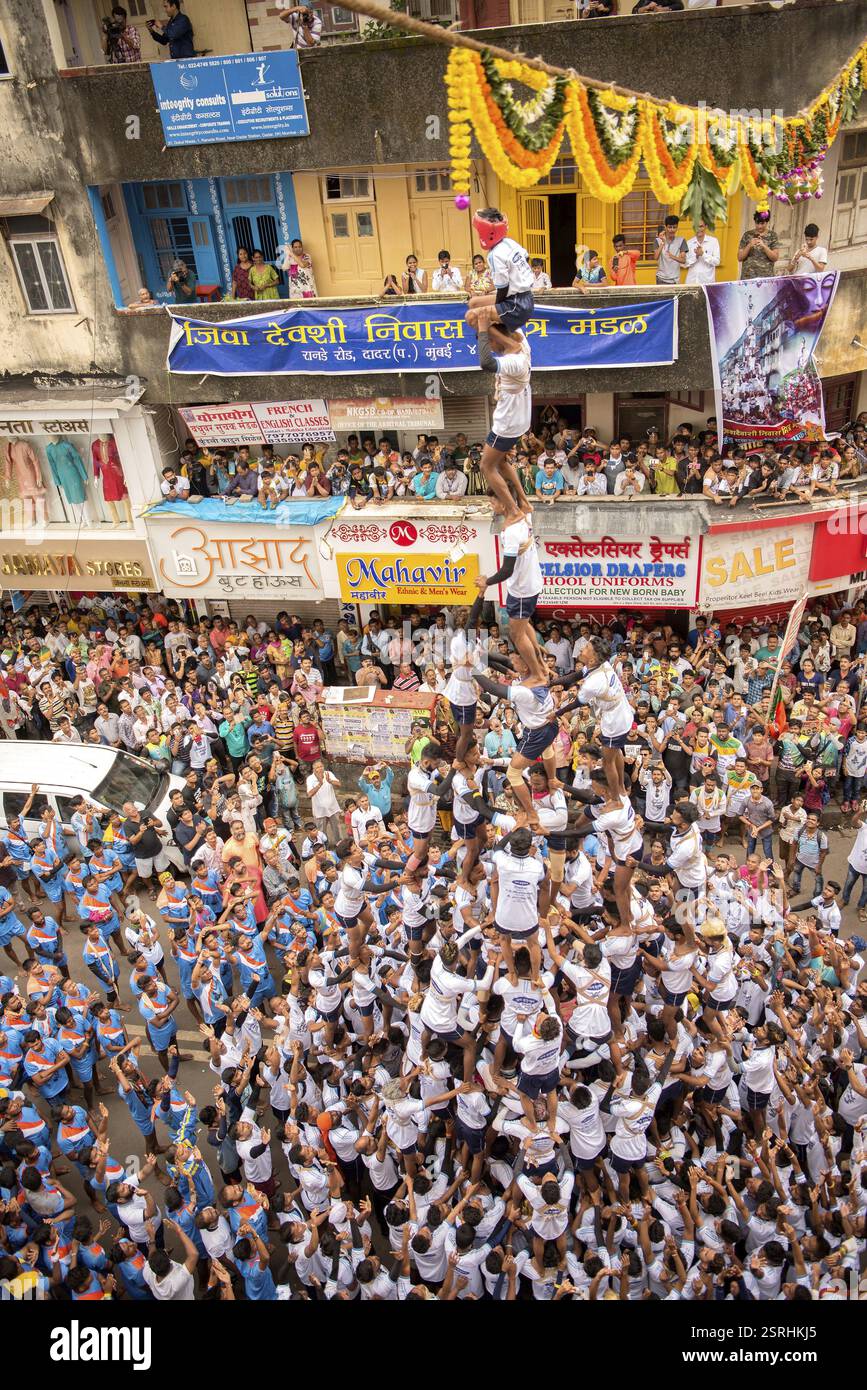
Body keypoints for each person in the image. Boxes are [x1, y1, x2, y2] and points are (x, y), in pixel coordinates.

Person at [474, 312, 533, 514]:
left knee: (486, 466)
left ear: (493, 338)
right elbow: (510, 321)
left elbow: (486, 363)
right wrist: (486, 319)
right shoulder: (521, 343)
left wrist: (482, 327)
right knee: (501, 461)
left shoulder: (514, 361)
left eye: (490, 344)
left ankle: (513, 510)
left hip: (506, 424)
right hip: (519, 421)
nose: (492, 349)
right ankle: (524, 501)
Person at [466, 208, 534, 333]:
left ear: (486, 232)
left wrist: (496, 308)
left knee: (471, 317)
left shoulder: (495, 254)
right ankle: (506, 334)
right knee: (473, 303)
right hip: (526, 297)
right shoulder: (509, 242)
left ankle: (511, 345)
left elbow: (503, 288)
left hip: (516, 305)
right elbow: (526, 257)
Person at [738, 210, 781, 279]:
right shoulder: (747, 235)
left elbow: (775, 258)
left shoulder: (772, 235)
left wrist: (764, 246)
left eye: (762, 223)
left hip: (766, 278)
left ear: (767, 222)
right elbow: (740, 258)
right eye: (757, 223)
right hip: (748, 278)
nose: (759, 226)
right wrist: (749, 245)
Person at [654, 215, 687, 285]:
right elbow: (656, 257)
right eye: (669, 227)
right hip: (661, 278)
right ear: (665, 227)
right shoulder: (657, 240)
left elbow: (683, 260)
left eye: (674, 227)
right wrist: (662, 242)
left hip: (675, 280)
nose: (672, 230)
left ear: (677, 227)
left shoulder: (681, 240)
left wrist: (672, 256)